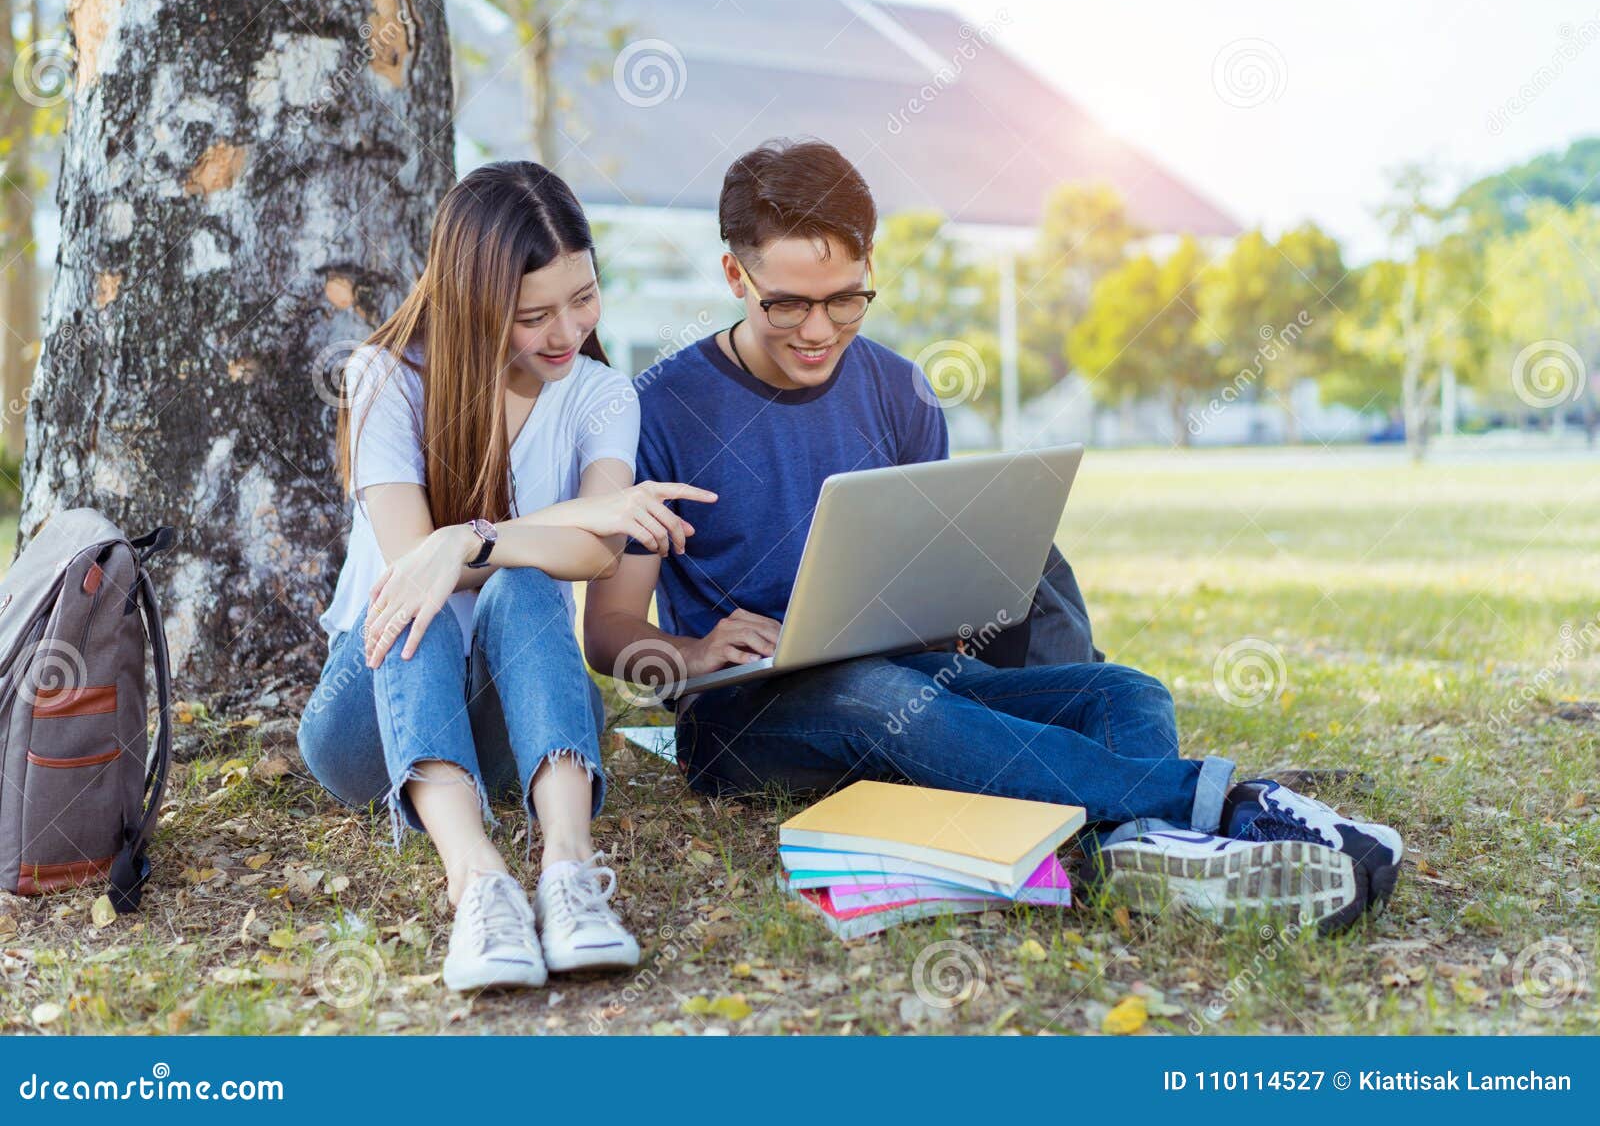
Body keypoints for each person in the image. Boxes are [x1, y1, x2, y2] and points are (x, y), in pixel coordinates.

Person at [583, 138, 1403, 934]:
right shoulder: (659, 406)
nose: (818, 330)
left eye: (845, 298)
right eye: (787, 302)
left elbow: (925, 585)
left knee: (1126, 692)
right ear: (734, 273)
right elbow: (608, 631)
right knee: (885, 697)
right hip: (743, 718)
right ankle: (1224, 805)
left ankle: (1130, 852)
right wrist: (695, 653)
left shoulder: (899, 388)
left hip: (913, 674)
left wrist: (966, 588)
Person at [297, 161, 709, 989]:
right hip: (374, 720)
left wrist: (473, 541)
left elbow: (596, 553)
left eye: (583, 298)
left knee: (518, 582)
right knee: (417, 595)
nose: (566, 329)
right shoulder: (384, 379)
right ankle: (477, 882)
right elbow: (421, 563)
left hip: (519, 711)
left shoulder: (600, 395)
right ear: (476, 302)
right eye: (533, 314)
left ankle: (568, 873)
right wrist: (456, 546)